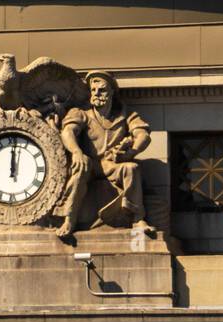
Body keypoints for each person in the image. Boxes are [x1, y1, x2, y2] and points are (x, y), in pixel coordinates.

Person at [55, 70, 152, 238]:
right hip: (90, 164)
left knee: (131, 168)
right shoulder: (81, 113)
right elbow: (68, 132)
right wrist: (76, 151)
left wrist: (131, 152)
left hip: (111, 164)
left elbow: (143, 135)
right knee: (80, 168)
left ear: (112, 92)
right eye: (93, 90)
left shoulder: (125, 115)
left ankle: (137, 219)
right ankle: (69, 219)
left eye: (102, 90)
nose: (97, 93)